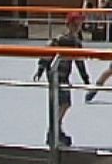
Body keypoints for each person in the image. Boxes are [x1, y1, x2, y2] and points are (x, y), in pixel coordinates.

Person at [33, 12, 90, 147]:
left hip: (64, 75)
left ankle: (56, 128)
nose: (77, 27)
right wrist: (40, 69)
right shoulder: (59, 40)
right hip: (55, 73)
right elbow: (47, 53)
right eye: (75, 24)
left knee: (63, 103)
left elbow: (79, 61)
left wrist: (85, 78)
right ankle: (54, 129)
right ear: (68, 25)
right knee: (64, 103)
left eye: (79, 25)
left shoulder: (76, 42)